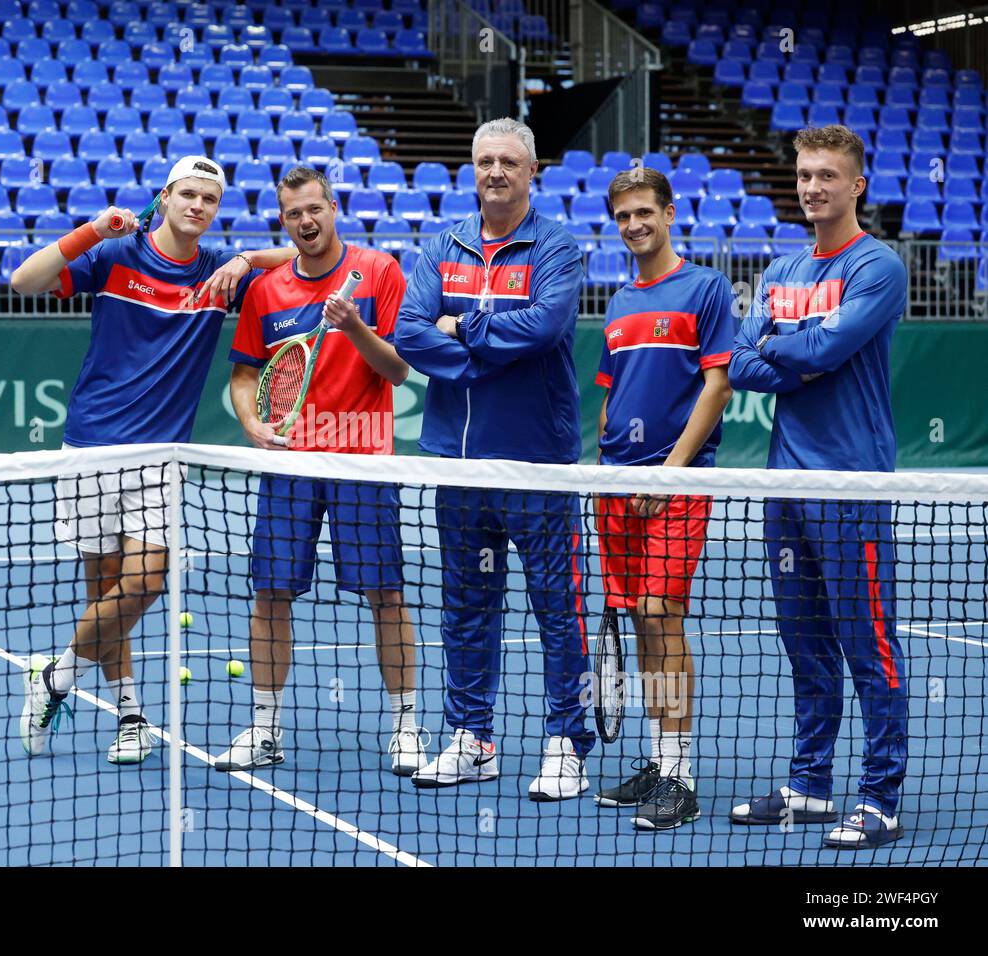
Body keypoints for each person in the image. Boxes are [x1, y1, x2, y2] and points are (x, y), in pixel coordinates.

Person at [9, 157, 295, 764]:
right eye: (188, 194)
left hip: (160, 460)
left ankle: (54, 678)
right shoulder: (116, 255)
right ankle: (131, 714)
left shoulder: (220, 273)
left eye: (210, 200)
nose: (198, 206)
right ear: (164, 198)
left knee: (143, 584)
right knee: (104, 589)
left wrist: (245, 259)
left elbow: (296, 258)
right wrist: (90, 232)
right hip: (91, 448)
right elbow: (23, 282)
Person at [395, 118, 593, 799]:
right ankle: (471, 739)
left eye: (509, 161)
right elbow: (409, 334)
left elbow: (543, 328)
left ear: (532, 172)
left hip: (536, 463)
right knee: (466, 605)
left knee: (556, 606)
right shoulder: (442, 246)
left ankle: (567, 742)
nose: (495, 172)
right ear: (472, 170)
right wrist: (481, 354)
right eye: (484, 161)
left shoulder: (559, 249)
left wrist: (465, 330)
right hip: (458, 464)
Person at [728, 124, 909, 848]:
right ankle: (808, 785)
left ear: (856, 184)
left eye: (827, 175)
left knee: (869, 645)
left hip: (851, 484)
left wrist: (779, 347)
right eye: (804, 174)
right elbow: (741, 366)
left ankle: (881, 798)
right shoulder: (781, 271)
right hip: (786, 485)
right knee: (804, 642)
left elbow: (832, 346)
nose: (812, 187)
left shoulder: (880, 267)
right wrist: (789, 353)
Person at [213, 166, 425, 776]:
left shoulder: (378, 271)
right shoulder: (266, 291)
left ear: (333, 208)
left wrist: (353, 325)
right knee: (270, 593)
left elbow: (399, 371)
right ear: (284, 221)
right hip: (290, 462)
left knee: (386, 594)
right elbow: (246, 374)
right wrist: (252, 425)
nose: (306, 222)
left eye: (315, 209)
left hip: (360, 458)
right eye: (293, 215)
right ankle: (265, 728)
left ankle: (406, 728)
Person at [591, 167, 733, 830]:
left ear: (669, 214)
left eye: (644, 212)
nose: (634, 225)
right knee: (640, 620)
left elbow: (718, 388)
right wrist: (603, 469)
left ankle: (680, 778)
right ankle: (656, 758)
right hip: (616, 485)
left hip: (676, 483)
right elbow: (610, 394)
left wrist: (668, 473)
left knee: (661, 613)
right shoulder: (618, 303)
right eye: (623, 216)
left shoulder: (705, 288)